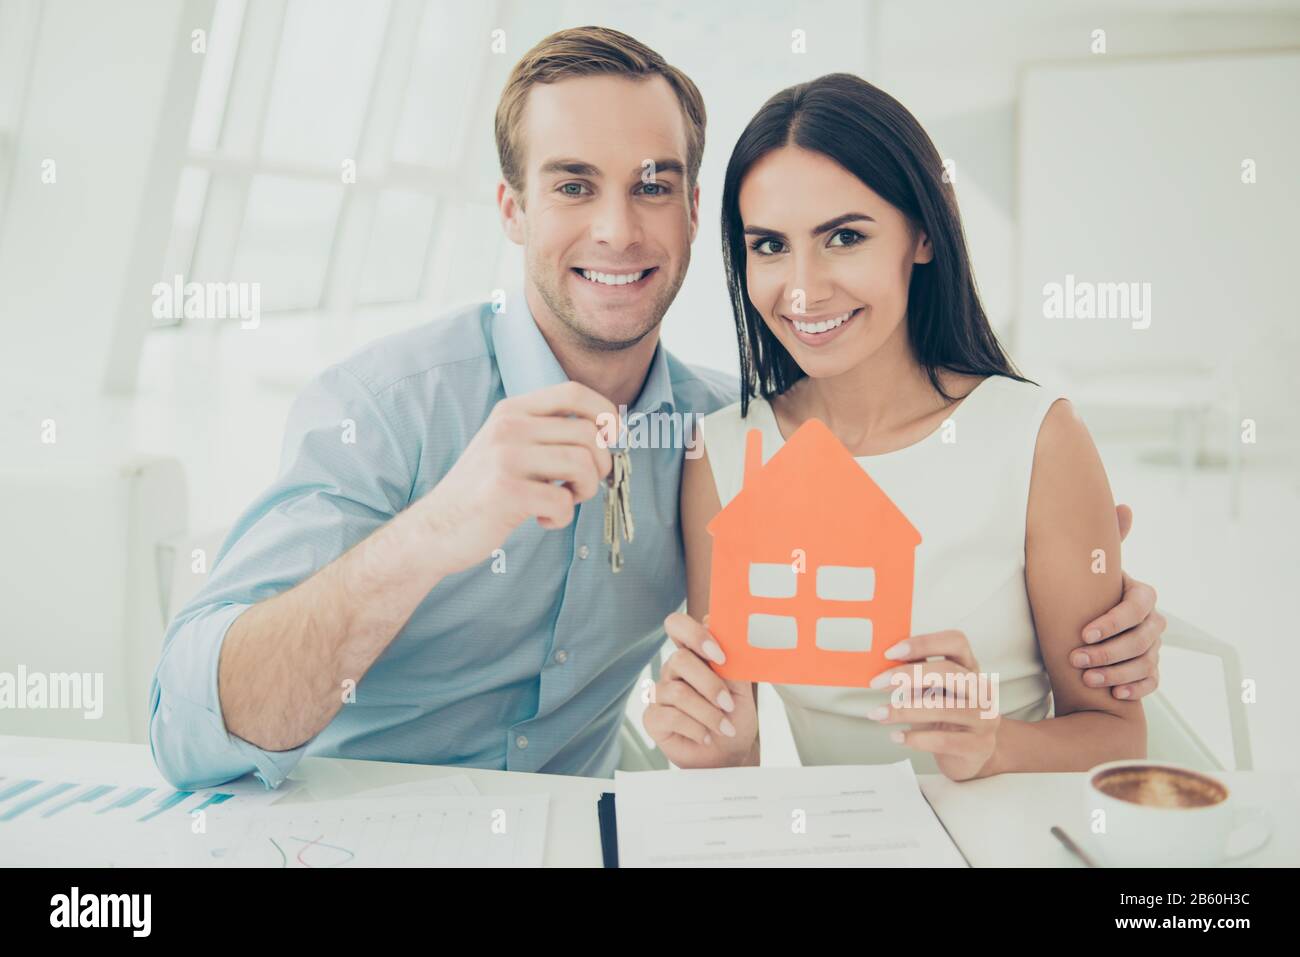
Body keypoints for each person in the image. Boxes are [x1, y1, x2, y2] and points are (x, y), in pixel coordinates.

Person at [150, 30, 1164, 791]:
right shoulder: (384, 407)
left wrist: (1091, 600)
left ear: (690, 213)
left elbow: (745, 719)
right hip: (334, 830)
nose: (615, 227)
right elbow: (185, 730)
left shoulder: (716, 440)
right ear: (511, 210)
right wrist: (437, 532)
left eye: (652, 185)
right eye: (572, 184)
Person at [643, 73, 1157, 780]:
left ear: (921, 234)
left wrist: (992, 743)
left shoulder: (1037, 438)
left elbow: (1118, 736)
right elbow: (739, 753)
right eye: (768, 246)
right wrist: (718, 745)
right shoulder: (726, 455)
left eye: (844, 237)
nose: (803, 287)